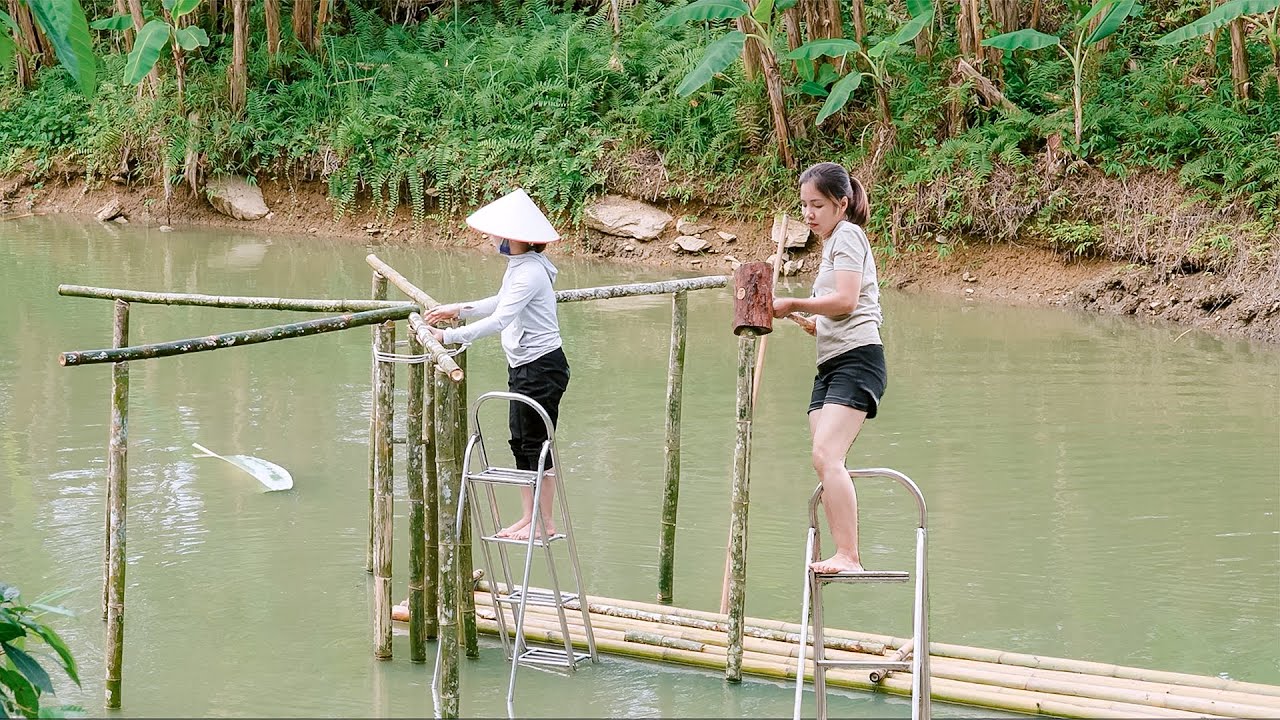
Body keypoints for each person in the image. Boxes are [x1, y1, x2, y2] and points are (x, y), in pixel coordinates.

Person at [425, 188, 570, 541]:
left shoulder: (530, 272)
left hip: (541, 367)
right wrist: (458, 309)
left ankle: (544, 523)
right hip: (526, 365)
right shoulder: (520, 266)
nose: (491, 239)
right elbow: (500, 302)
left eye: (496, 234)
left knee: (535, 444)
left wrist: (448, 337)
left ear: (514, 238)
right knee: (520, 442)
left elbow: (501, 319)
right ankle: (529, 516)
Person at [772, 162, 886, 575]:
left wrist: (795, 303)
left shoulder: (850, 235)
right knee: (823, 460)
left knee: (827, 454)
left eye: (817, 205)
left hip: (858, 360)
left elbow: (847, 302)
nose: (808, 214)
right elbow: (832, 313)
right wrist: (806, 320)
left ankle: (849, 555)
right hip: (832, 363)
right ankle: (839, 548)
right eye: (803, 206)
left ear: (842, 204)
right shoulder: (832, 243)